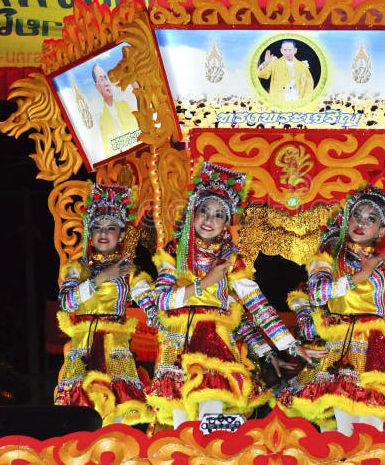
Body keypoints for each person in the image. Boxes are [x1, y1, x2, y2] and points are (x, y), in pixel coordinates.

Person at [146, 160, 323, 429]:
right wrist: (205, 282)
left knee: (212, 402)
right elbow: (161, 300)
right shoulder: (174, 252)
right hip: (178, 342)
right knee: (182, 422)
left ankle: (219, 435)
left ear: (227, 221)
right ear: (193, 212)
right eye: (204, 210)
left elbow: (256, 303)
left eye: (219, 214)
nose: (209, 219)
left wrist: (288, 345)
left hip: (214, 340)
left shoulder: (230, 259)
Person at [277, 184, 385, 436]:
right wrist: (359, 276)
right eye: (356, 216)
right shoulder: (328, 256)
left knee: (370, 433)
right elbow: (317, 293)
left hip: (373, 353)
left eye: (370, 219)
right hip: (339, 350)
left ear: (382, 229)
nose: (360, 223)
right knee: (341, 433)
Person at [54, 183, 158, 426]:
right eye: (97, 227)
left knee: (117, 422)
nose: (103, 233)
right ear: (90, 232)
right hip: (83, 352)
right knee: (82, 421)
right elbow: (67, 303)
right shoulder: (76, 269)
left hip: (116, 353)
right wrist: (101, 278)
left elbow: (153, 309)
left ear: (121, 234)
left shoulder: (129, 272)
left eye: (111, 228)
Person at [92, 63, 140, 149]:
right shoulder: (102, 121)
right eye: (101, 80)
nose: (106, 83)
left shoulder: (125, 105)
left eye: (105, 78)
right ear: (98, 87)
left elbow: (140, 98)